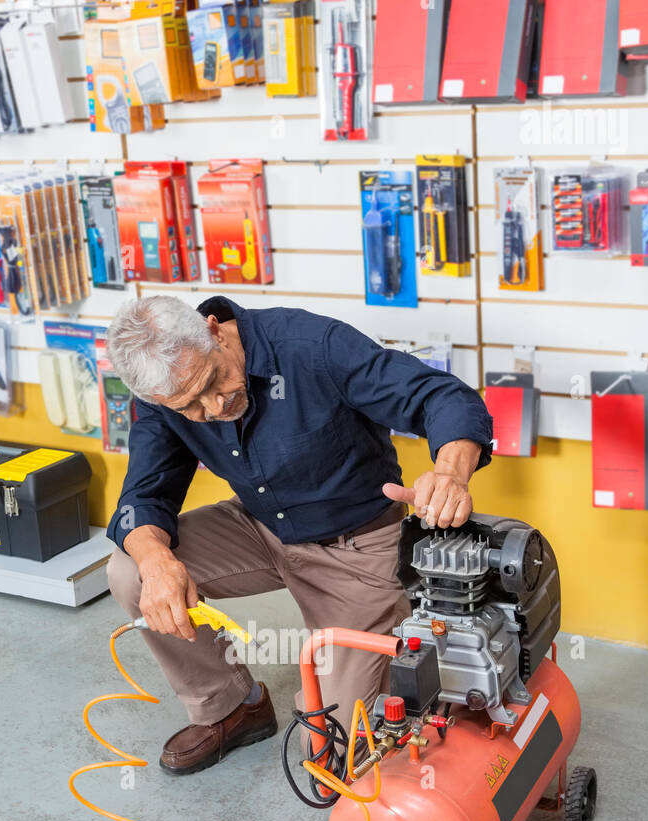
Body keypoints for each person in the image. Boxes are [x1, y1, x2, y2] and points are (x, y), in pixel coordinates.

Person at [105, 294, 494, 775]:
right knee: (132, 569)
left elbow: (442, 396)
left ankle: (387, 657)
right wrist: (156, 562)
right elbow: (145, 492)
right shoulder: (168, 391)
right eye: (190, 407)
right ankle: (231, 707)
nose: (214, 405)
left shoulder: (312, 345)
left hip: (359, 546)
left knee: (330, 758)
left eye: (211, 382)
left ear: (214, 330)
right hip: (261, 525)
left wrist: (450, 473)